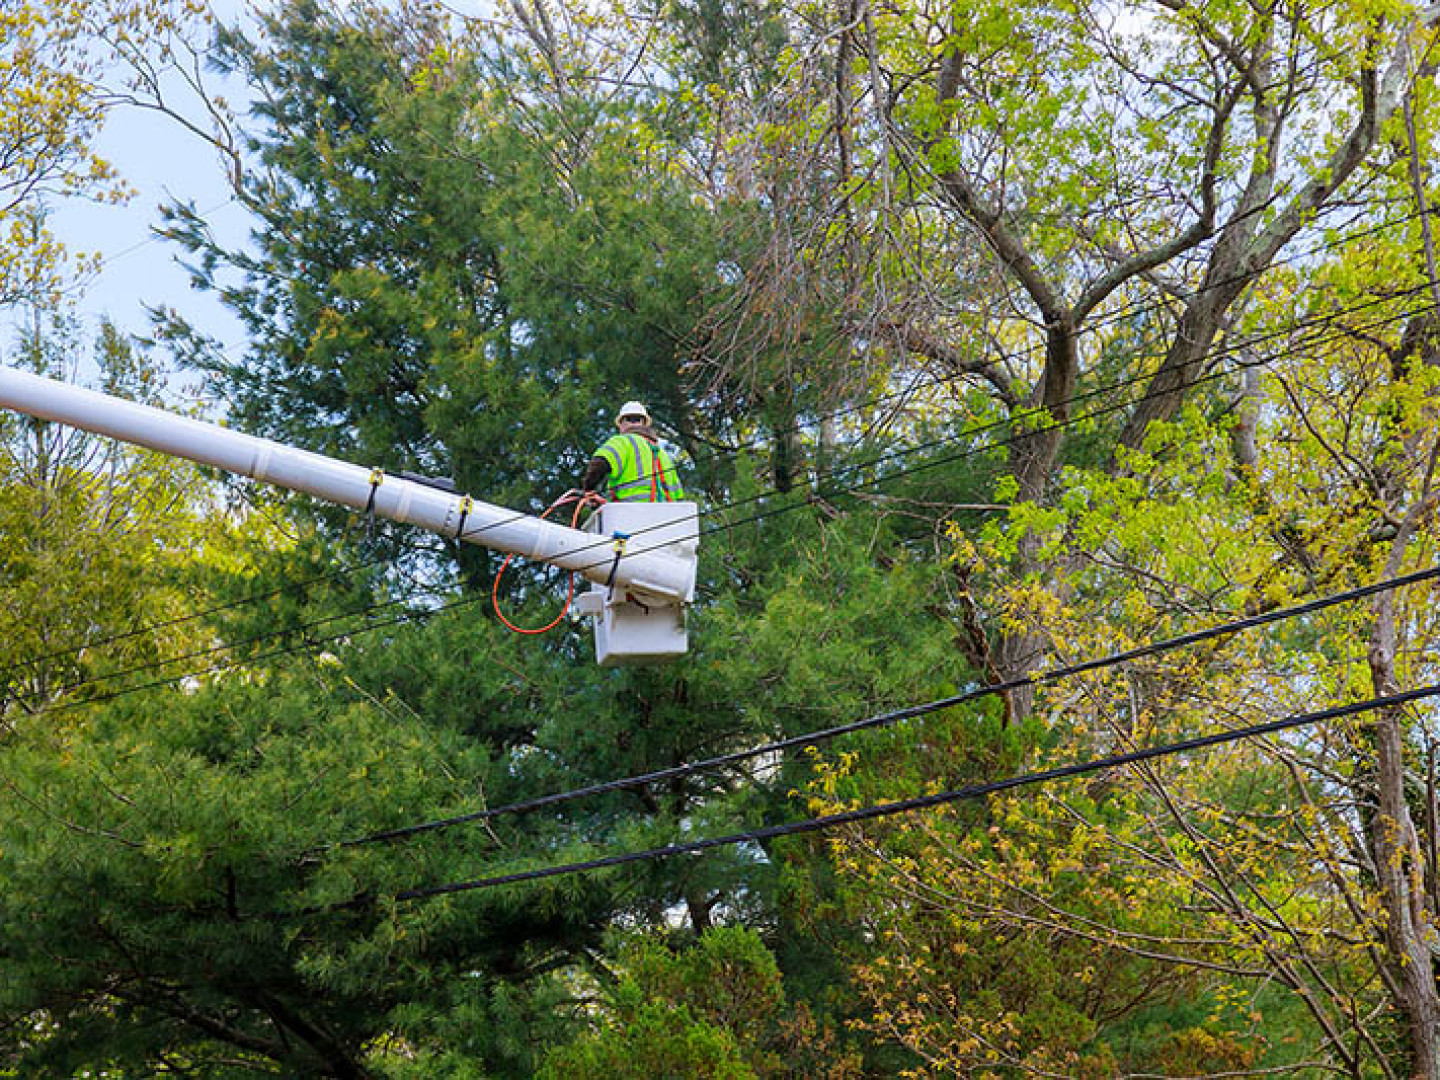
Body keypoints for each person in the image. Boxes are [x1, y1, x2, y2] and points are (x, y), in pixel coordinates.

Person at [582, 400, 685, 502]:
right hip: (668, 516)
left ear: (621, 424)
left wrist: (589, 489)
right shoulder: (664, 455)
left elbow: (600, 463)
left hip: (630, 513)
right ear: (645, 424)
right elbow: (679, 497)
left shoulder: (622, 441)